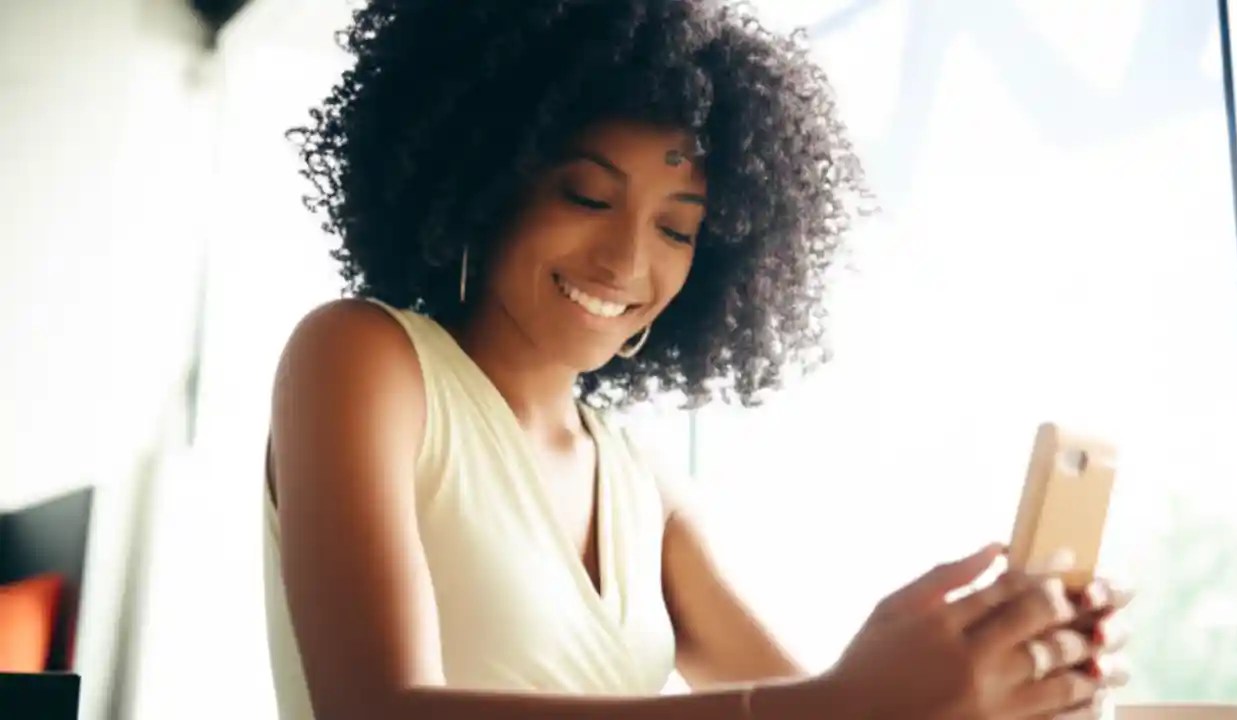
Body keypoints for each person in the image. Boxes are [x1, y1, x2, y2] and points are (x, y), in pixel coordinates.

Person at [265, 2, 1132, 719]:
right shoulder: (363, 357)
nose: (625, 262)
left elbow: (830, 704)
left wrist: (996, 674)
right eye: (587, 195)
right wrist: (843, 704)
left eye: (677, 228)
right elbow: (374, 708)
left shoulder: (643, 491)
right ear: (488, 179)